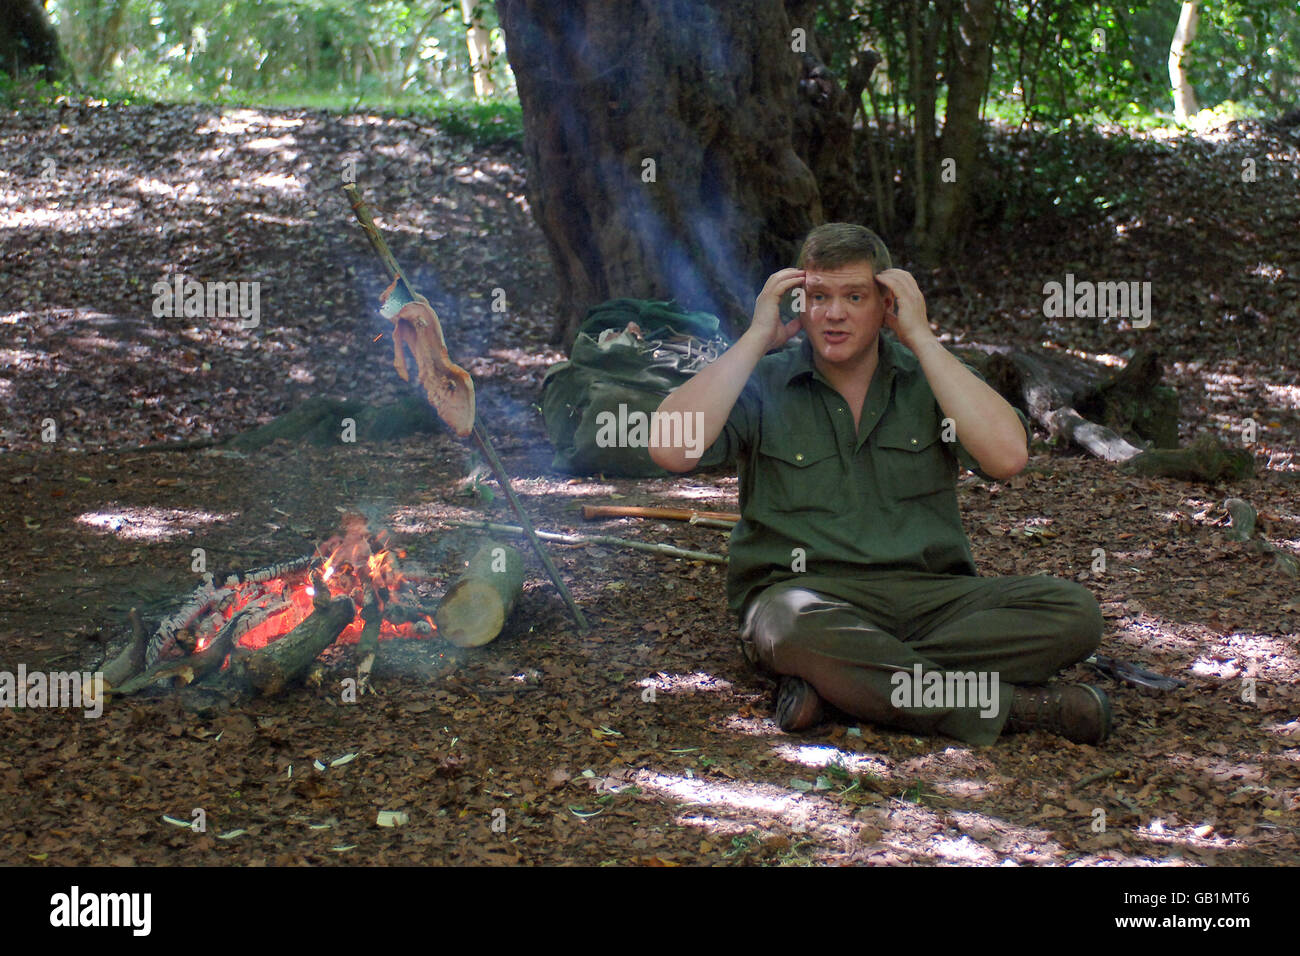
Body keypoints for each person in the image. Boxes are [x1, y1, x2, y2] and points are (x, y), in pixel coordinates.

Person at [649, 223, 1111, 746]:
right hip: (807, 601)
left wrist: (921, 337)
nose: (834, 313)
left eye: (854, 296)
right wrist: (756, 340)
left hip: (934, 601)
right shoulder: (766, 382)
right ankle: (1016, 708)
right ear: (799, 304)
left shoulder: (929, 378)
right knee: (791, 628)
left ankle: (841, 684)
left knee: (1072, 614)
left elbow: (1007, 457)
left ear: (886, 303)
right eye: (818, 296)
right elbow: (670, 447)